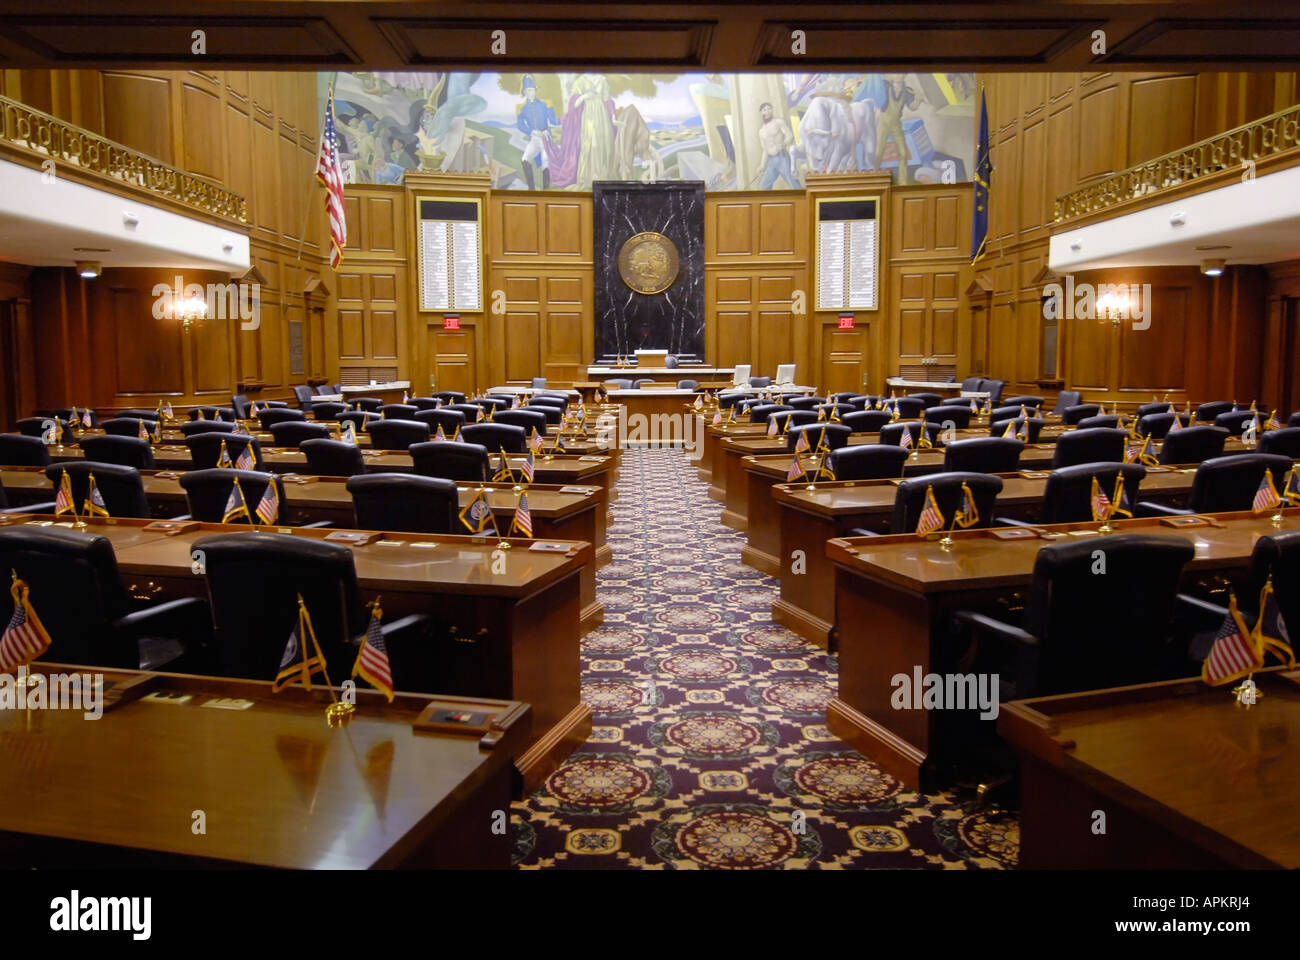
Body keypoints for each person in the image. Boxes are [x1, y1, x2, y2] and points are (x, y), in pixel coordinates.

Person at [516, 75, 560, 190]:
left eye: (534, 90)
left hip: (545, 137)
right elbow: (520, 125)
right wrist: (532, 132)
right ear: (525, 91)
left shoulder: (544, 104)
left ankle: (545, 190)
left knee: (546, 162)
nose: (532, 93)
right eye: (530, 90)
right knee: (525, 159)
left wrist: (564, 118)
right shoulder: (522, 108)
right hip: (534, 138)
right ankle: (531, 189)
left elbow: (553, 121)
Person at [757, 102, 797, 189]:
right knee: (763, 187)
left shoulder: (778, 122)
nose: (767, 111)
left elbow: (789, 135)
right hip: (772, 161)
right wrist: (762, 165)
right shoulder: (761, 131)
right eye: (765, 110)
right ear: (761, 112)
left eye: (769, 109)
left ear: (772, 110)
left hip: (782, 157)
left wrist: (784, 144)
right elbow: (765, 150)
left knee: (793, 183)